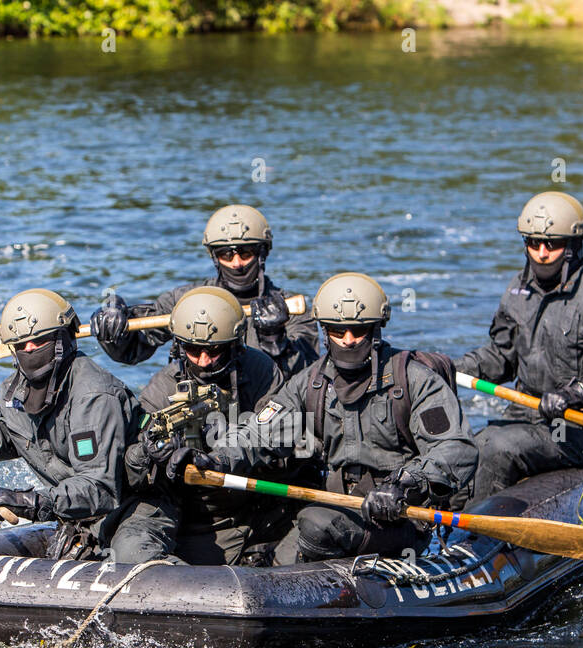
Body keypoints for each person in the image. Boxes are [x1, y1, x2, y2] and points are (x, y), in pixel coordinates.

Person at [178, 273, 478, 565]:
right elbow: (259, 432)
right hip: (340, 507)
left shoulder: (413, 379)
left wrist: (406, 483)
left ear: (376, 330)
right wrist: (218, 459)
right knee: (277, 555)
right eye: (337, 331)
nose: (348, 340)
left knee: (314, 523)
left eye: (357, 331)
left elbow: (455, 448)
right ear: (325, 331)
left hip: (401, 516)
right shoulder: (309, 384)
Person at [456, 192, 583, 504]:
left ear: (574, 246)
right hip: (524, 415)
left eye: (552, 244)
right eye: (533, 243)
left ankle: (470, 539)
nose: (542, 253)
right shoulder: (516, 292)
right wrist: (450, 368)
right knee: (462, 448)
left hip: (579, 430)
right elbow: (502, 357)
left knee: (493, 447)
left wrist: (578, 393)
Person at [0, 288, 143, 560]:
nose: (29, 349)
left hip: (132, 511)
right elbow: (9, 430)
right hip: (75, 517)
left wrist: (32, 503)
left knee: (130, 560)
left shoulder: (94, 396)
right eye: (21, 345)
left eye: (38, 341)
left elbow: (98, 487)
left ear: (61, 338)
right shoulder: (18, 389)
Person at [109, 287, 293, 565]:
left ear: (234, 344)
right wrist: (149, 456)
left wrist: (217, 458)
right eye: (193, 350)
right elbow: (130, 467)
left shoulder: (262, 372)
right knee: (129, 547)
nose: (203, 361)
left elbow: (269, 432)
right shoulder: (163, 387)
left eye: (214, 350)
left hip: (246, 498)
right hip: (182, 505)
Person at [89, 204, 319, 382]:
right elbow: (131, 350)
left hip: (263, 409)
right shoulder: (185, 301)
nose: (237, 263)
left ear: (263, 253)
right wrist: (114, 325)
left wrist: (275, 341)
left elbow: (307, 377)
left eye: (246, 253)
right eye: (227, 255)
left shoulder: (290, 308)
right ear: (215, 258)